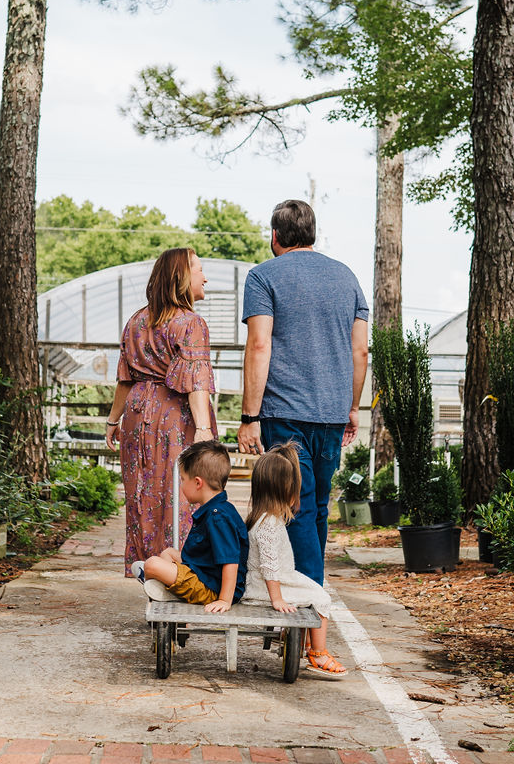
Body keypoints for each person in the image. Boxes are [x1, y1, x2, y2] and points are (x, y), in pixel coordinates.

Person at [237, 200, 369, 584]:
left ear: (275, 235)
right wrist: (352, 408)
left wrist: (249, 417)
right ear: (312, 233)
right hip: (332, 413)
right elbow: (360, 351)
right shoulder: (347, 278)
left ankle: (309, 597)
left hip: (284, 413)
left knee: (297, 507)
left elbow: (259, 345)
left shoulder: (263, 277)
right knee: (319, 506)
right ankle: (313, 596)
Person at [106, 248, 216, 577]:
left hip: (137, 414)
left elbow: (126, 378)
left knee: (142, 495)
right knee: (180, 496)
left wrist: (113, 420)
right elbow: (196, 381)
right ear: (182, 277)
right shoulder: (191, 323)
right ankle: (178, 575)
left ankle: (149, 571)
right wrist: (204, 429)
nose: (205, 278)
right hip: (174, 416)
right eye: (199, 270)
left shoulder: (136, 321)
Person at [243, 442, 348, 679]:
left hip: (275, 580)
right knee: (321, 598)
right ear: (288, 492)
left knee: (315, 591)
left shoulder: (266, 518)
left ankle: (307, 642)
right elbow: (269, 566)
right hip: (263, 587)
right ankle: (318, 653)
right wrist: (277, 598)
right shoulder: (268, 525)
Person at [132, 440, 246, 612]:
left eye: (183, 479)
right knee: (168, 553)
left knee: (152, 564)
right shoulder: (215, 509)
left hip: (211, 589)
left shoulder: (218, 517)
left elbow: (230, 562)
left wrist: (224, 600)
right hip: (203, 573)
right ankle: (164, 585)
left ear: (198, 483)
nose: (181, 484)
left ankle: (164, 588)